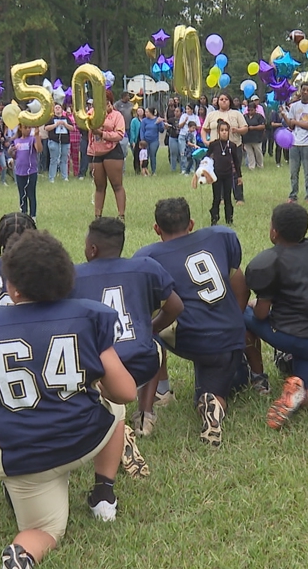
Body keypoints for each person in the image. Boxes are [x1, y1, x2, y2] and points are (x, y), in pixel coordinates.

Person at [0, 230, 137, 569]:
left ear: (13, 288)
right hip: (84, 437)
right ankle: (103, 494)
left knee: (45, 531)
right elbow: (126, 391)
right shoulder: (89, 316)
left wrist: (16, 426)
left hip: (26, 456)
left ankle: (20, 558)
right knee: (113, 406)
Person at [133, 198, 249, 447]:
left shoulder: (148, 257)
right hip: (229, 337)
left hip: (189, 337)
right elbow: (239, 282)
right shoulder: (221, 235)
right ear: (192, 223)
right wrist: (235, 319)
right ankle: (213, 403)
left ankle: (161, 391)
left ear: (156, 228)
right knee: (214, 392)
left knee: (148, 321)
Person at [71, 218, 183, 444]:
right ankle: (145, 413)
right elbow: (176, 306)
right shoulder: (145, 267)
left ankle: (97, 416)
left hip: (94, 367)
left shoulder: (73, 275)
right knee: (155, 345)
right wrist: (151, 329)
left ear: (92, 249)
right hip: (138, 362)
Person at [243, 204, 308, 429]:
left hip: (285, 333)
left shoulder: (268, 261)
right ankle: (298, 395)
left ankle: (258, 377)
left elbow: (262, 313)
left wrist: (253, 304)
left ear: (274, 231)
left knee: (240, 312)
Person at [88, 90, 128, 220]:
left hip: (112, 152)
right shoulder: (91, 114)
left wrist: (102, 133)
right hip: (95, 151)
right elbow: (84, 123)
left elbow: (120, 135)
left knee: (117, 185)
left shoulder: (117, 115)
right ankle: (97, 216)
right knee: (99, 186)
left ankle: (121, 215)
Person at [285, 83, 308, 203]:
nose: (305, 92)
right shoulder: (294, 106)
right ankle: (293, 194)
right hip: (294, 142)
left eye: (307, 90)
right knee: (294, 171)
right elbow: (290, 124)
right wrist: (284, 116)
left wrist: (295, 122)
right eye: (303, 90)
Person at [207, 120, 242, 226]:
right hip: (216, 175)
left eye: (226, 130)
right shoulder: (214, 144)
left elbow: (236, 162)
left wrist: (239, 176)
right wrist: (205, 171)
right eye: (222, 130)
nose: (224, 132)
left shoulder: (232, 145)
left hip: (228, 175)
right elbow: (207, 157)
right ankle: (214, 218)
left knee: (228, 197)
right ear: (218, 131)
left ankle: (229, 219)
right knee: (216, 198)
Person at [12, 128, 41, 219]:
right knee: (22, 194)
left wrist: (37, 136)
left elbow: (39, 149)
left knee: (31, 194)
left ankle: (33, 216)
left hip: (31, 171)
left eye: (29, 127)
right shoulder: (16, 140)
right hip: (19, 171)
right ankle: (23, 214)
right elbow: (14, 155)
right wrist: (12, 151)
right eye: (26, 127)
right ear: (20, 128)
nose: (28, 129)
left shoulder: (32, 139)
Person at [45, 103, 72, 182]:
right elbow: (46, 128)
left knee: (64, 159)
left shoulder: (66, 118)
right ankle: (51, 177)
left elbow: (72, 128)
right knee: (53, 159)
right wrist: (55, 125)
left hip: (65, 141)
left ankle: (65, 177)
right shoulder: (51, 119)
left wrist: (65, 124)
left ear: (61, 109)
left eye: (59, 107)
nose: (57, 109)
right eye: (56, 108)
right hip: (54, 141)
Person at [242, 96, 267, 171]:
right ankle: (251, 166)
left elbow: (263, 126)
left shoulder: (259, 116)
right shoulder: (244, 117)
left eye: (252, 110)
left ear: (255, 109)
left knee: (258, 152)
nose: (250, 112)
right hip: (247, 138)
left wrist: (253, 128)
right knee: (249, 153)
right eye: (249, 110)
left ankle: (260, 165)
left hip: (256, 138)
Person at [139, 108, 165, 175]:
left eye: (147, 112)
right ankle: (145, 171)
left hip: (154, 140)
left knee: (153, 155)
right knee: (145, 156)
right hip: (146, 140)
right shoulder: (144, 121)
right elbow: (142, 130)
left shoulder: (157, 119)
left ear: (151, 112)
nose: (145, 113)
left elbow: (161, 130)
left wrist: (159, 123)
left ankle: (154, 171)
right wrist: (142, 140)